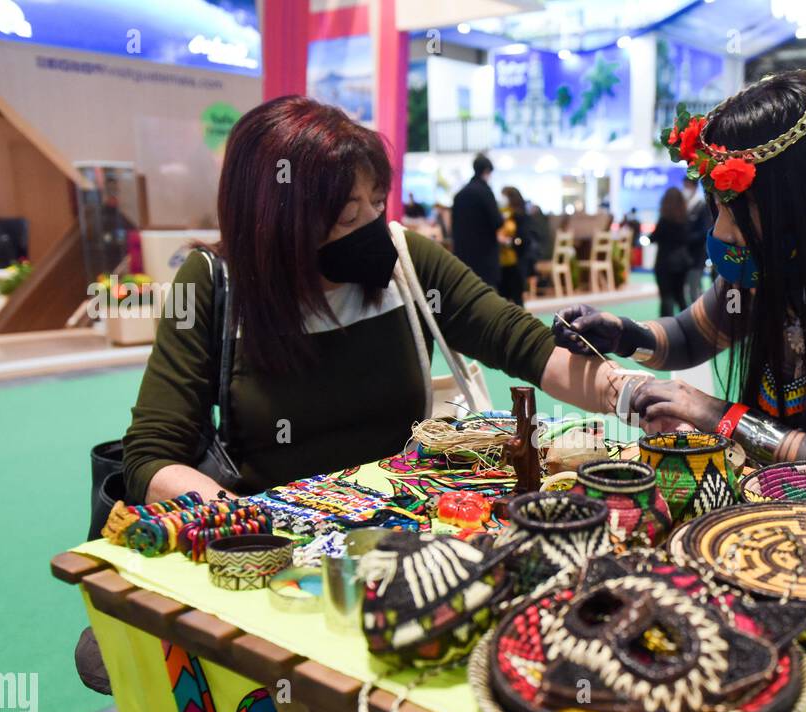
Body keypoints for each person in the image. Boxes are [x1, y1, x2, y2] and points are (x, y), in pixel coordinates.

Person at [122, 97, 621, 507]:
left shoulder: (405, 261)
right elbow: (151, 457)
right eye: (345, 215)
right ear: (277, 219)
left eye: (377, 205)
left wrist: (630, 394)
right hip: (275, 547)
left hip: (404, 530)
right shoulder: (212, 284)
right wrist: (238, 517)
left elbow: (523, 343)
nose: (369, 230)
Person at [554, 69, 806, 474]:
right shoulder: (772, 267)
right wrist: (623, 333)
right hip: (795, 505)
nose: (720, 230)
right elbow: (687, 337)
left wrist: (715, 414)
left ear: (805, 204)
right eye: (717, 207)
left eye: (737, 208)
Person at [449, 154, 502, 287]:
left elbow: (453, 225)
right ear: (487, 171)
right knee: (487, 293)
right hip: (485, 253)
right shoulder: (485, 192)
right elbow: (497, 221)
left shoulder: (460, 194)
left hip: (463, 253)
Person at [651, 187, 694, 316]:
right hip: (682, 262)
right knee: (680, 296)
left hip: (665, 262)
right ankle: (688, 325)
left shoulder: (664, 221)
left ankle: (665, 328)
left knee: (666, 297)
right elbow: (688, 239)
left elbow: (653, 238)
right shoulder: (685, 220)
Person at [496, 185, 537, 306]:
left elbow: (524, 239)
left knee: (517, 296)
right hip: (501, 262)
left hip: (517, 261)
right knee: (502, 298)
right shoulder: (501, 214)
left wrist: (508, 241)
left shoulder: (521, 216)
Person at [682, 177, 711, 303]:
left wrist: (686, 239)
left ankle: (699, 316)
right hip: (685, 254)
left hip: (697, 253)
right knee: (688, 287)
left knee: (694, 287)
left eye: (687, 185)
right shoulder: (684, 204)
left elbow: (704, 230)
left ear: (693, 186)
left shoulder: (701, 204)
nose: (685, 188)